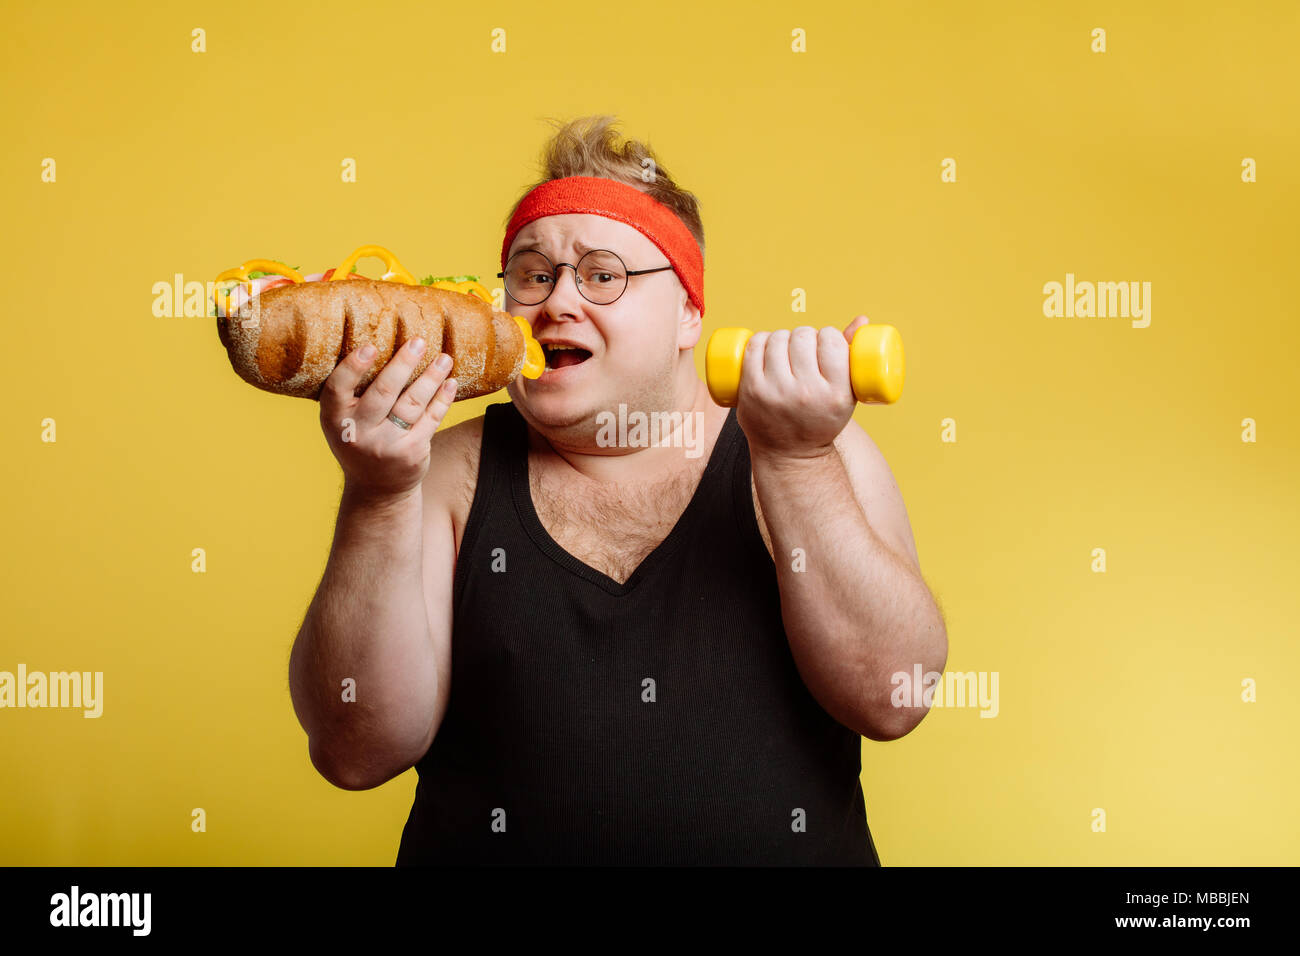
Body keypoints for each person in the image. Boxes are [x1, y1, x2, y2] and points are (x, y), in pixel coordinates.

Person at [288, 115, 948, 865]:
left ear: (689, 315)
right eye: (533, 275)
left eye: (603, 275)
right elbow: (355, 751)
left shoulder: (808, 446)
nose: (558, 302)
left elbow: (895, 699)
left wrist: (797, 463)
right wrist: (375, 499)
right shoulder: (437, 475)